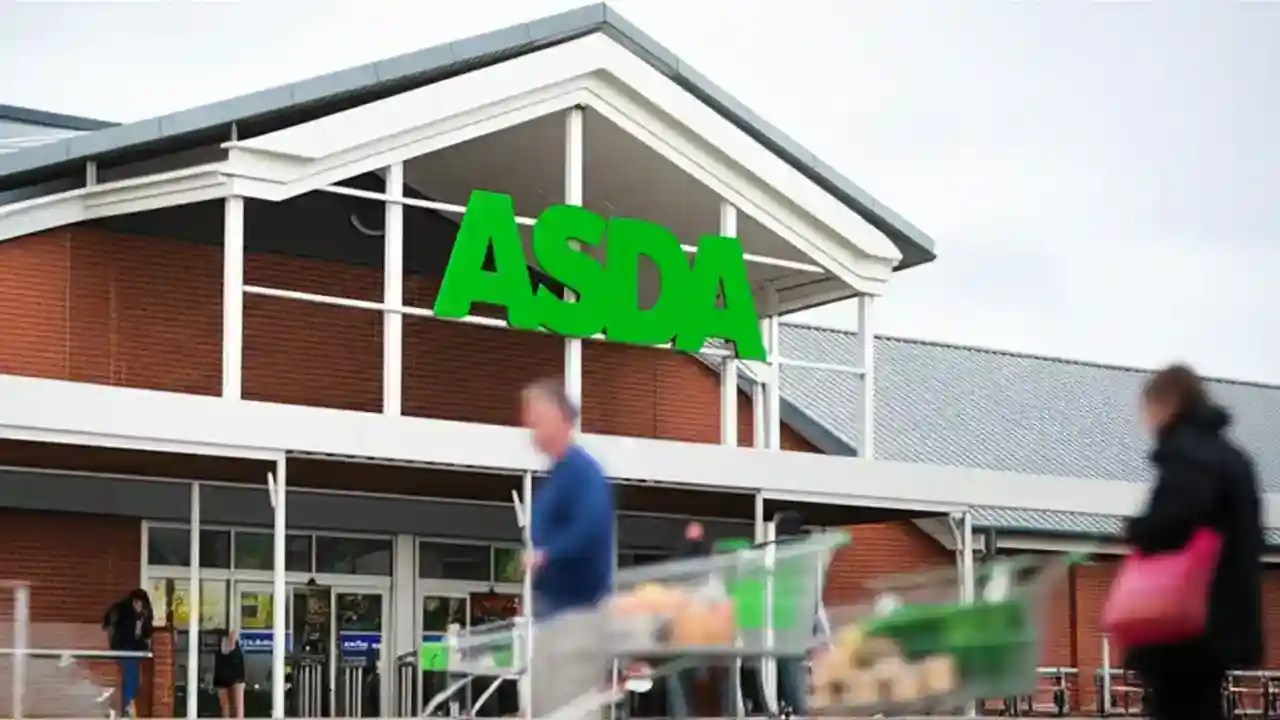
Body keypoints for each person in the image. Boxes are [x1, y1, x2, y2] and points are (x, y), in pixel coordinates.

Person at [1124, 364, 1263, 720]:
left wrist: (1140, 529)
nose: (1147, 422)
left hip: (1184, 619)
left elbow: (1177, 516)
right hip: (1221, 617)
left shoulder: (1188, 452)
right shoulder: (1234, 458)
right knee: (1199, 704)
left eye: (1147, 410)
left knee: (1178, 705)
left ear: (1166, 404)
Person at [522, 378, 615, 719]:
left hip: (578, 618)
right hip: (553, 619)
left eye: (538, 420)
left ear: (563, 420)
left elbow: (591, 526)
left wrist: (547, 554)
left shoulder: (582, 472)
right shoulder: (559, 474)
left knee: (568, 711)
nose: (532, 430)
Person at [102, 589, 153, 719]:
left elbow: (143, 635)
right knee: (131, 676)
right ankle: (127, 708)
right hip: (125, 649)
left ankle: (125, 708)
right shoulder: (126, 617)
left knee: (131, 677)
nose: (138, 607)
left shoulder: (140, 617)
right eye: (136, 603)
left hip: (129, 651)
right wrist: (144, 645)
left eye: (141, 604)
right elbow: (129, 639)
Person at [213, 628, 246, 718]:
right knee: (226, 705)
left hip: (235, 679)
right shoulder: (221, 653)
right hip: (225, 679)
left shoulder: (236, 653)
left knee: (237, 705)